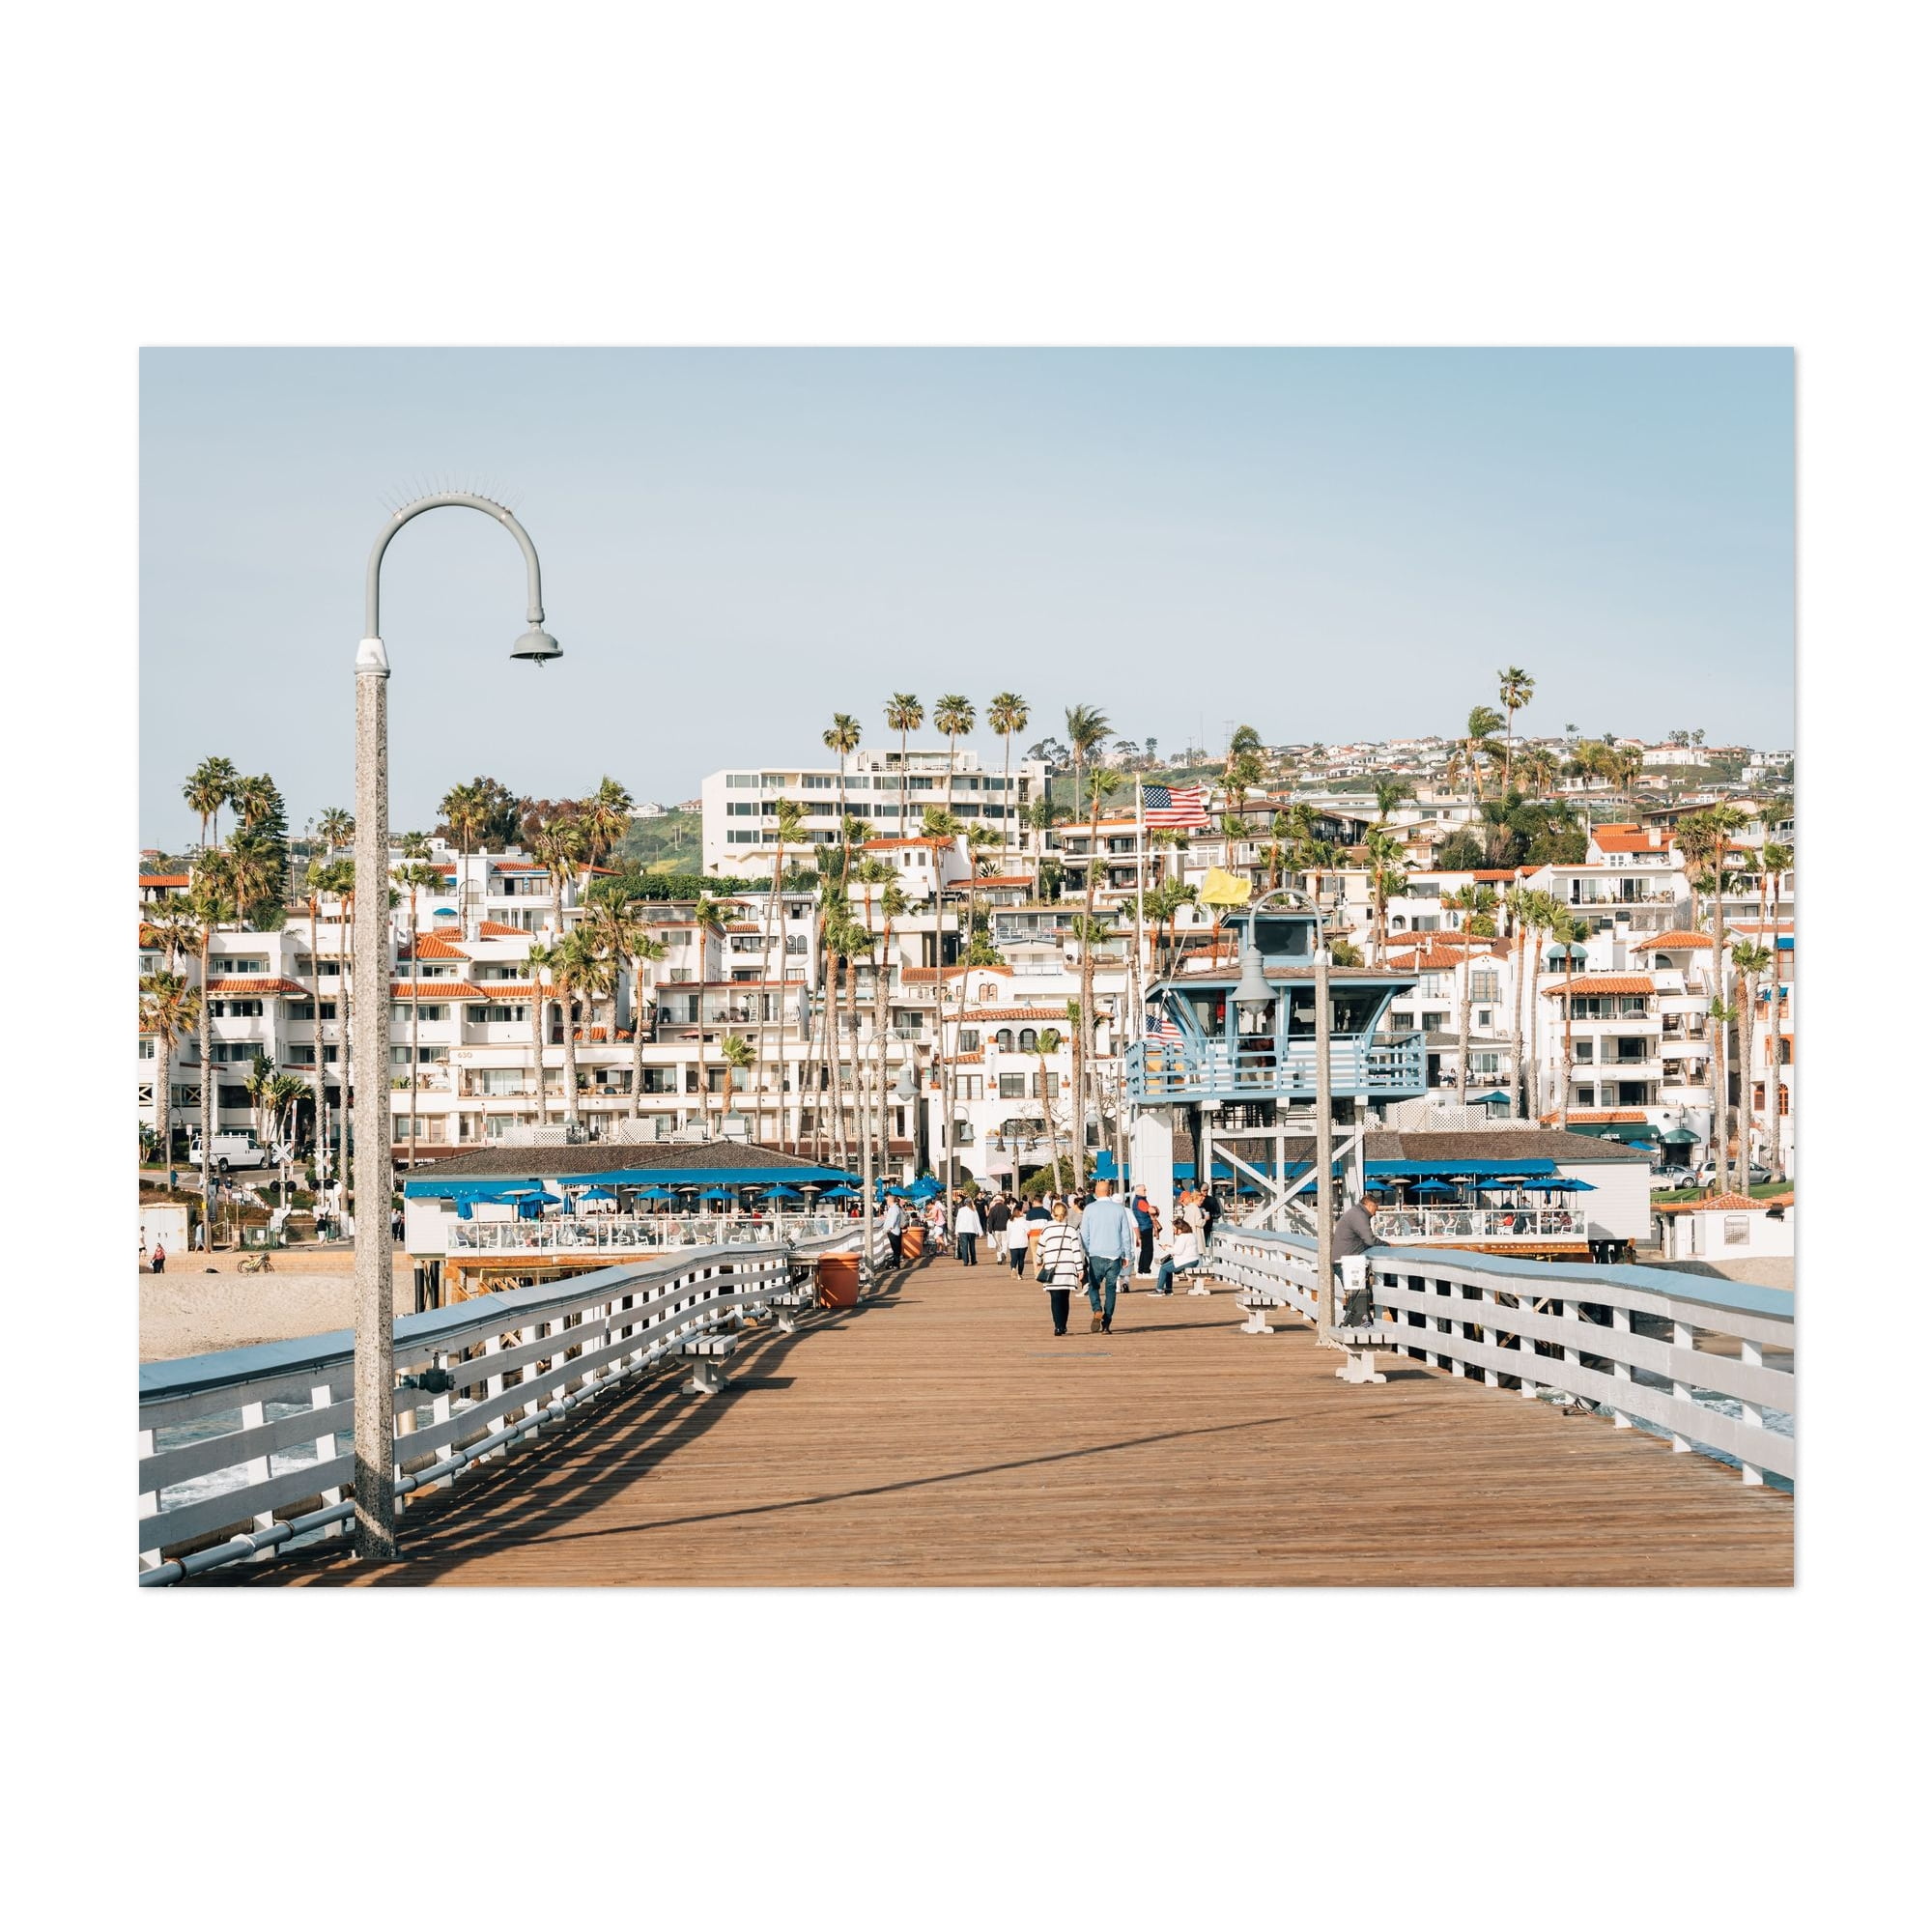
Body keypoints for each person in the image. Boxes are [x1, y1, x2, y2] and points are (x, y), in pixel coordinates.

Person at [1078, 1178, 1135, 1334]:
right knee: (1111, 1289)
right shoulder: (1119, 1209)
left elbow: (1084, 1234)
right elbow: (1126, 1235)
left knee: (1094, 1286)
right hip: (1115, 1254)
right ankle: (1107, 1323)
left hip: (1096, 1253)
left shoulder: (1090, 1209)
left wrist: (1088, 1252)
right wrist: (1127, 1255)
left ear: (1096, 1193)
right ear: (1109, 1192)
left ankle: (1097, 1309)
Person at [1033, 1198, 1086, 1336]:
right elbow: (1076, 1251)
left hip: (1052, 1268)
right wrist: (1080, 1269)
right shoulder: (1070, 1230)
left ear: (1053, 1213)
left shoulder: (1047, 1228)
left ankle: (1057, 1326)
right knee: (1065, 1297)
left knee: (1055, 1297)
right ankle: (1063, 1325)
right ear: (1066, 1214)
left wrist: (1038, 1261)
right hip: (1068, 1268)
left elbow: (1041, 1247)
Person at [1331, 1194, 1380, 1324]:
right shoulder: (1359, 1215)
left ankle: (1359, 1322)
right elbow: (1369, 1240)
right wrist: (1386, 1245)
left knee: (1357, 1294)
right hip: (1346, 1261)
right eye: (1376, 1207)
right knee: (1357, 1295)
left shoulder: (1356, 1213)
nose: (1376, 1212)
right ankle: (1358, 1323)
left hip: (1346, 1259)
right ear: (1369, 1205)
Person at [1154, 1216, 1203, 1295]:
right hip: (1193, 1260)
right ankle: (1168, 1290)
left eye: (1174, 1229)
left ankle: (1159, 1290)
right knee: (1167, 1268)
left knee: (1163, 1268)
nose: (1173, 1231)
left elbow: (1178, 1251)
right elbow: (1184, 1249)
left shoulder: (1182, 1237)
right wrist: (1171, 1247)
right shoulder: (1191, 1235)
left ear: (1180, 1228)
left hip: (1186, 1260)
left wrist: (1165, 1248)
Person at [1130, 1188, 1155, 1278]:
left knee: (1144, 1250)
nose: (1145, 1191)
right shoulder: (1141, 1201)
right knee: (1148, 1250)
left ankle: (1141, 1271)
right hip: (1145, 1227)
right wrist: (1154, 1208)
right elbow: (1152, 1210)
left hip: (1142, 1227)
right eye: (1144, 1190)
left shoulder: (1137, 1200)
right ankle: (1146, 1271)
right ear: (1138, 1191)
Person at [953, 1192, 982, 1266]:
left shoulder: (961, 1210)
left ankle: (965, 1261)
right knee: (972, 1246)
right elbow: (977, 1221)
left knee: (964, 1246)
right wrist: (980, 1232)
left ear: (965, 1203)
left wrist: (956, 1231)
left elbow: (958, 1221)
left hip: (962, 1230)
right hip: (972, 1230)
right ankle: (973, 1260)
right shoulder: (974, 1210)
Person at [881, 1192, 905, 1267]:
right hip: (895, 1230)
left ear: (890, 1201)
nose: (886, 1201)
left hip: (893, 1231)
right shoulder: (894, 1208)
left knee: (896, 1248)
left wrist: (889, 1228)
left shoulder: (894, 1209)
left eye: (887, 1200)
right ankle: (895, 1264)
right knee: (896, 1248)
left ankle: (896, 1265)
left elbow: (893, 1220)